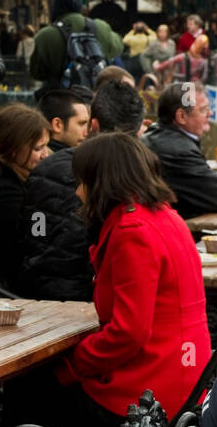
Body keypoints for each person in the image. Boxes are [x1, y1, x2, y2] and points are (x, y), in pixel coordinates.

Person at [54, 133, 209, 427]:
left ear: (101, 182)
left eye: (82, 181)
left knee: (37, 395)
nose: (77, 192)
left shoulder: (132, 231)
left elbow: (129, 332)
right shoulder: (166, 216)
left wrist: (73, 363)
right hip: (182, 380)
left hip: (150, 392)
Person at [19, 80, 146, 302]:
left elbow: (35, 234)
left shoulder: (46, 168)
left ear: (93, 125)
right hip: (97, 295)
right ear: (138, 129)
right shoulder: (137, 172)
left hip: (43, 291)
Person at [143, 81, 217, 221]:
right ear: (181, 116)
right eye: (203, 110)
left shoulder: (159, 135)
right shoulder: (177, 150)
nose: (210, 114)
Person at [0, 104, 50, 292]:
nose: (46, 155)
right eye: (38, 148)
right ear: (13, 150)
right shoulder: (7, 194)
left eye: (46, 146)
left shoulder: (17, 183)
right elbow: (27, 247)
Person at [29, 0, 122, 94]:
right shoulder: (100, 27)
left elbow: (36, 73)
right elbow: (119, 47)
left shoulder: (45, 36)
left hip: (62, 100)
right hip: (97, 97)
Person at [38, 89, 91, 153]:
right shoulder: (56, 160)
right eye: (82, 124)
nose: (88, 131)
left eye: (88, 124)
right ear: (57, 125)